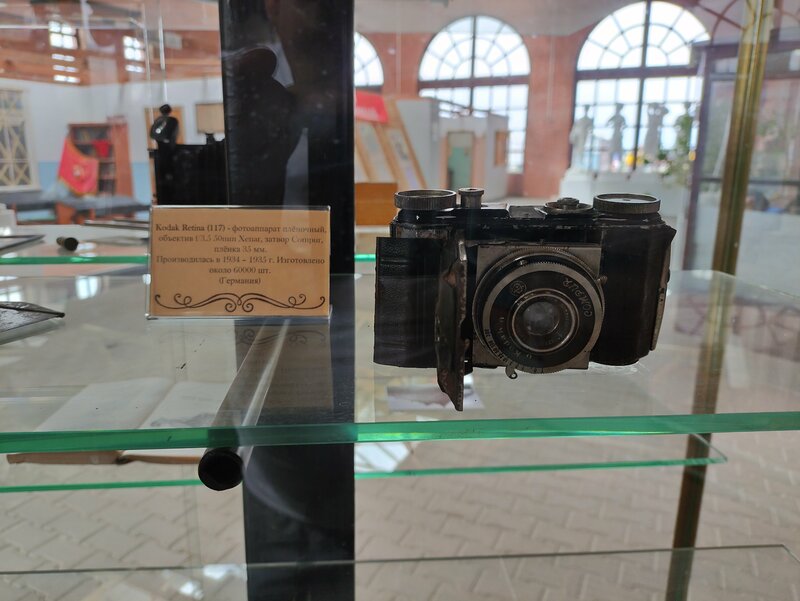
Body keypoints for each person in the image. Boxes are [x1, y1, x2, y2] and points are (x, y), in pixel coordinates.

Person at [569, 105, 593, 170]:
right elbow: (574, 129)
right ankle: (577, 164)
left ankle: (580, 164)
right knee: (577, 150)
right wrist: (572, 136)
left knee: (581, 150)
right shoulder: (580, 120)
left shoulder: (588, 120)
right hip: (578, 137)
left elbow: (590, 130)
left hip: (583, 137)